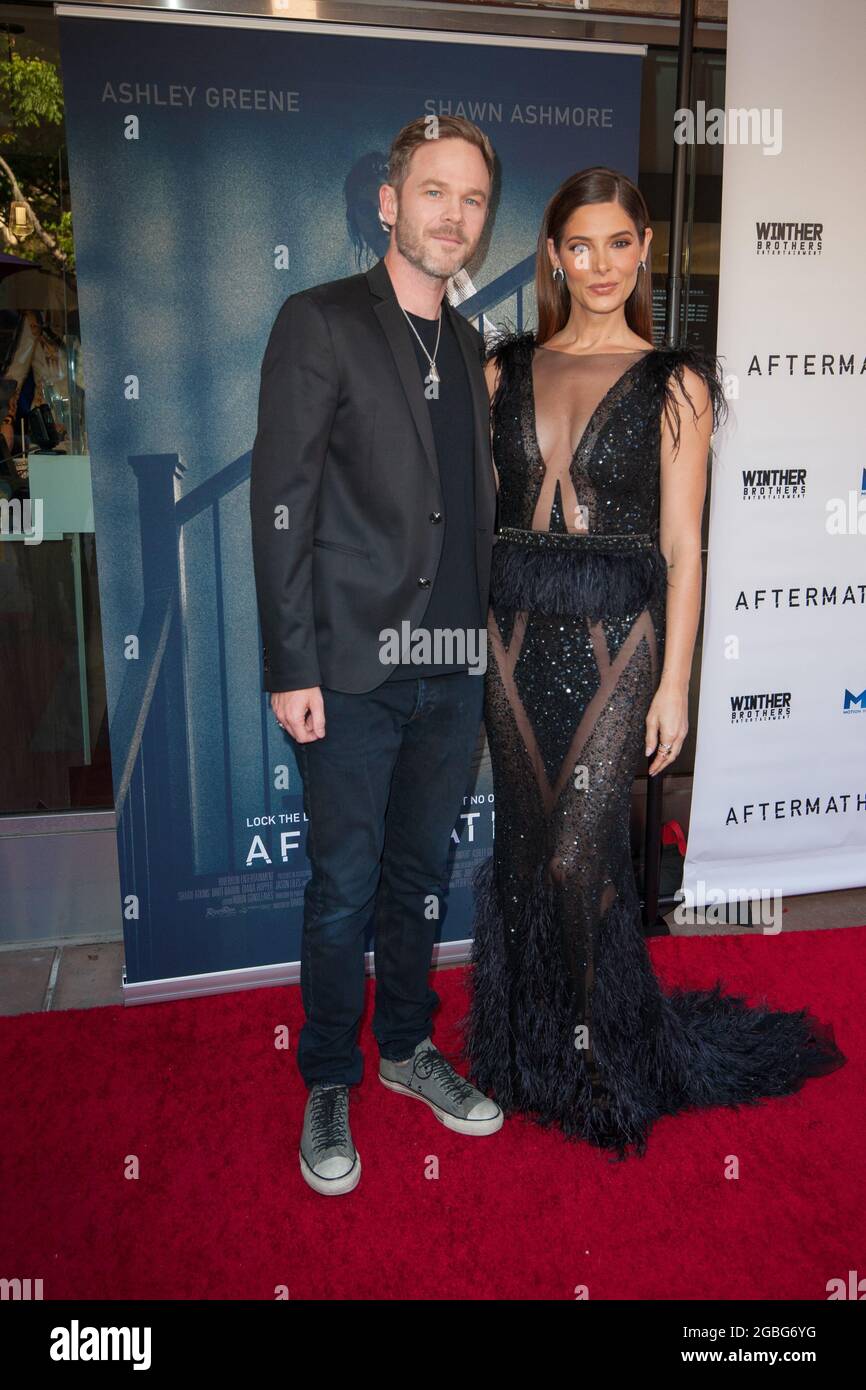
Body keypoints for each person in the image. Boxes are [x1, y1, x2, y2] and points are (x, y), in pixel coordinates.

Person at [459, 167, 846, 1161]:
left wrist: (675, 682)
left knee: (576, 857)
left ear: (641, 251)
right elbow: (479, 519)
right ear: (552, 255)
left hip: (614, 647)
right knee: (517, 861)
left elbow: (682, 546)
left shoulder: (676, 381)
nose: (597, 265)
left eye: (617, 245)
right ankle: (519, 1050)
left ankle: (604, 1060)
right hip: (510, 643)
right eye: (577, 246)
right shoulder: (501, 368)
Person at [249, 115, 503, 1197]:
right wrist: (288, 665)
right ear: (389, 201)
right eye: (433, 192)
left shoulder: (469, 342)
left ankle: (405, 1050)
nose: (454, 214)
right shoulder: (318, 322)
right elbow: (279, 506)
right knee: (341, 888)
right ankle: (325, 1079)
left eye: (474, 199)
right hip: (349, 668)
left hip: (450, 666)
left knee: (417, 875)